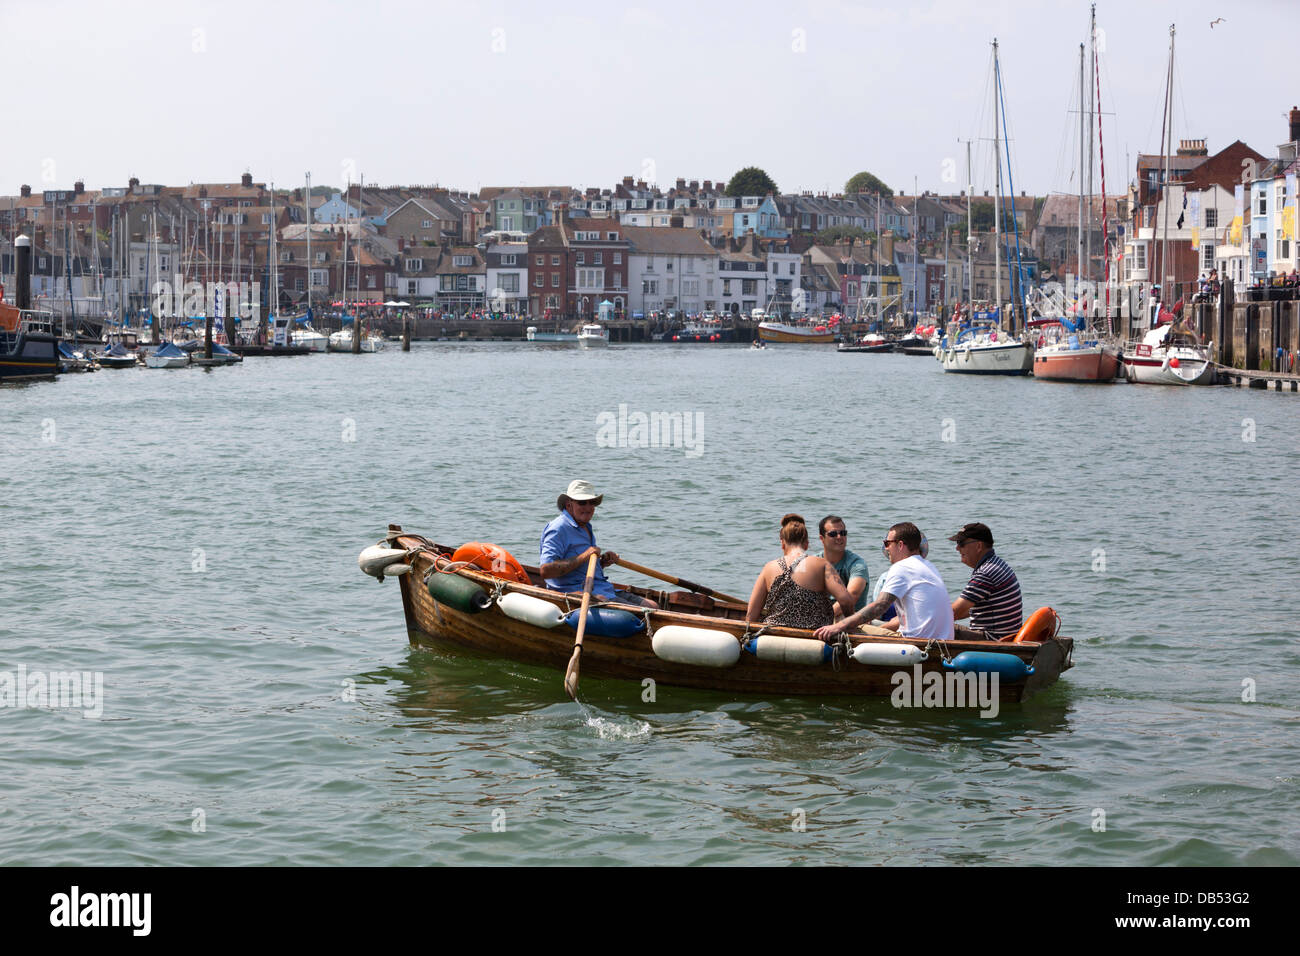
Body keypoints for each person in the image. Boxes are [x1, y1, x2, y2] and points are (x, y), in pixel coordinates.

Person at [815, 522, 954, 642]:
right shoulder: (930, 566)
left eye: (887, 543)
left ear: (900, 545)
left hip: (916, 643)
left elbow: (880, 606)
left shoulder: (902, 567)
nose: (886, 549)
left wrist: (838, 626)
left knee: (845, 623)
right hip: (942, 640)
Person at [539, 480, 657, 608]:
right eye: (582, 503)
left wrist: (602, 563)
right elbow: (546, 571)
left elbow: (581, 568)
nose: (588, 508)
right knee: (641, 612)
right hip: (575, 591)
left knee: (652, 605)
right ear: (569, 505)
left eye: (592, 502)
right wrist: (586, 555)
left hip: (603, 588)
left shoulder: (585, 526)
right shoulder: (558, 529)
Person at [747, 514, 855, 630]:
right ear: (807, 544)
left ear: (782, 543)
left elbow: (751, 615)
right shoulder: (822, 565)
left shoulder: (769, 567)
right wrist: (851, 626)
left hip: (773, 631)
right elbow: (846, 601)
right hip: (815, 633)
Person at [948, 522, 1023, 641]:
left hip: (992, 640)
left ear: (978, 546)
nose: (957, 548)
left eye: (961, 543)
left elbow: (953, 612)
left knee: (937, 628)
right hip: (1004, 637)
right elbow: (967, 610)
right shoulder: (997, 564)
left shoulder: (985, 573)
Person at [817, 515, 869, 616]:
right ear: (822, 538)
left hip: (849, 619)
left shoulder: (857, 564)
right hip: (820, 617)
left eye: (843, 533)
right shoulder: (814, 562)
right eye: (833, 534)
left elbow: (851, 596)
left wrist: (822, 617)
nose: (839, 537)